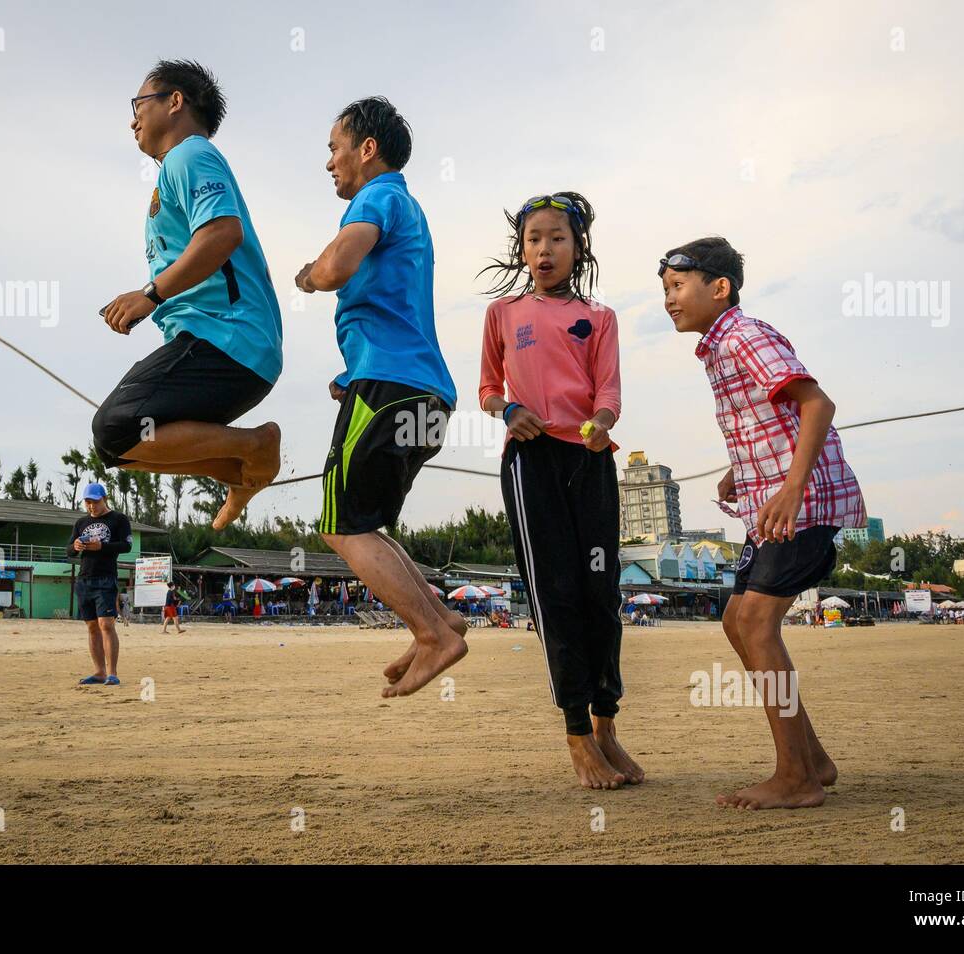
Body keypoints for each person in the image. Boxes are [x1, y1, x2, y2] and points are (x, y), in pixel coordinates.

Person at [663, 236, 865, 809]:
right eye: (666, 291)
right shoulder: (719, 347)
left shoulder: (746, 336)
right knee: (736, 619)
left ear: (719, 287)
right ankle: (813, 760)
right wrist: (738, 471)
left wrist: (791, 488)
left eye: (678, 287)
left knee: (755, 623)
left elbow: (816, 404)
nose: (670, 300)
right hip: (768, 508)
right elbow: (767, 419)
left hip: (800, 507)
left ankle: (795, 779)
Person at [294, 96, 465, 697]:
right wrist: (357, 373)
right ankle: (441, 618)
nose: (330, 163)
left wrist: (309, 274)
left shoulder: (378, 196)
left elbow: (338, 266)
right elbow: (391, 305)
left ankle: (433, 634)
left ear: (367, 150)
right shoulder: (408, 208)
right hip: (422, 394)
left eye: (334, 149)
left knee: (340, 527)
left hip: (392, 388)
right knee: (366, 523)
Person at [478, 192, 641, 791]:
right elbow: (487, 389)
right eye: (533, 239)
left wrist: (602, 423)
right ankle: (575, 735)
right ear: (521, 250)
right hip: (532, 462)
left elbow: (610, 393)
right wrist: (508, 409)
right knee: (556, 595)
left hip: (590, 461)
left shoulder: (600, 318)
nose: (543, 249)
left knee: (603, 595)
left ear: (578, 248)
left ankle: (606, 726)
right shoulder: (503, 313)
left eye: (556, 238)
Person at [94, 60, 283, 530]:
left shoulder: (190, 155)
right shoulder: (174, 171)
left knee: (115, 427)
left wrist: (148, 296)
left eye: (139, 103)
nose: (133, 118)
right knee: (119, 447)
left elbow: (222, 234)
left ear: (174, 101)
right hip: (215, 345)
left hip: (227, 339)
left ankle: (254, 446)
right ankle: (242, 473)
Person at [69, 484, 133, 687]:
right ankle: (98, 672)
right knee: (92, 627)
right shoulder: (81, 522)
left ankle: (112, 673)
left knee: (106, 624)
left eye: (95, 502)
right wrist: (76, 546)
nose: (91, 506)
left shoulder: (118, 519)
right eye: (88, 502)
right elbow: (69, 551)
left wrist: (102, 546)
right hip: (84, 579)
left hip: (106, 579)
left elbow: (126, 545)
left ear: (104, 498)